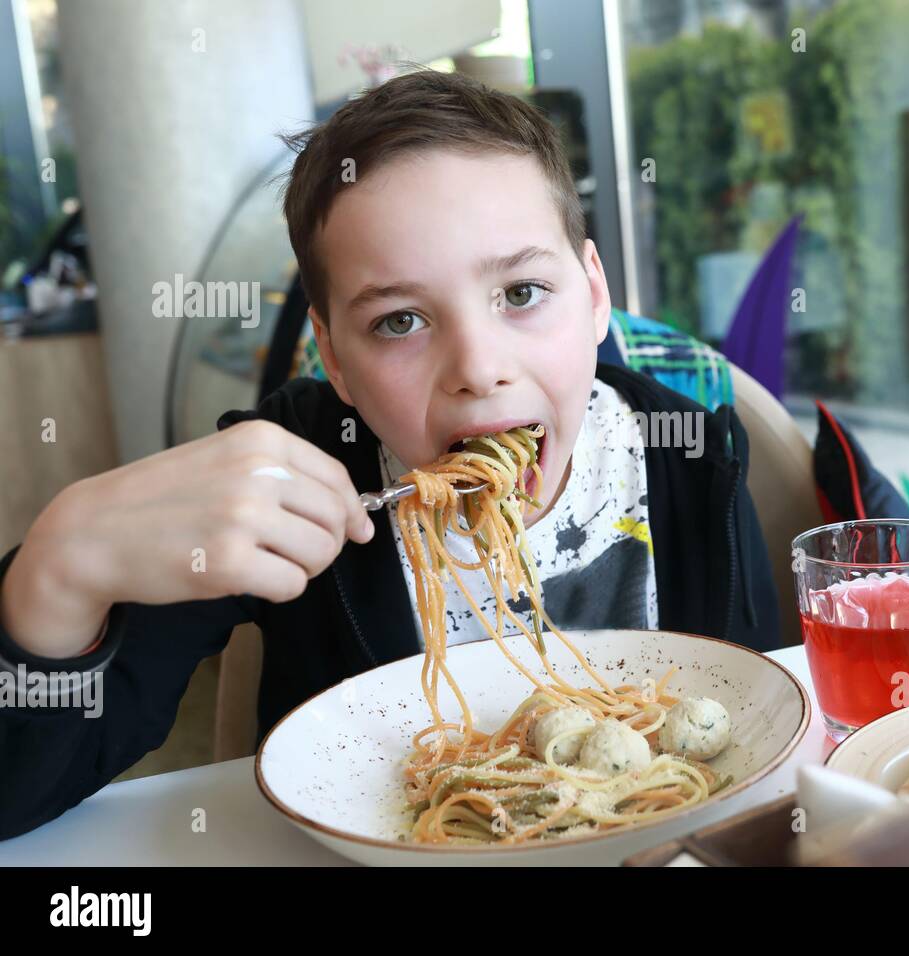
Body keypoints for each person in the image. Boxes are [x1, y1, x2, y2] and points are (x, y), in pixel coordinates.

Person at [0, 68, 779, 840]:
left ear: (594, 291)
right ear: (333, 357)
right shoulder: (291, 478)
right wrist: (60, 568)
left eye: (520, 293)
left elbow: (753, 745)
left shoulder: (693, 460)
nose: (478, 368)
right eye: (401, 321)